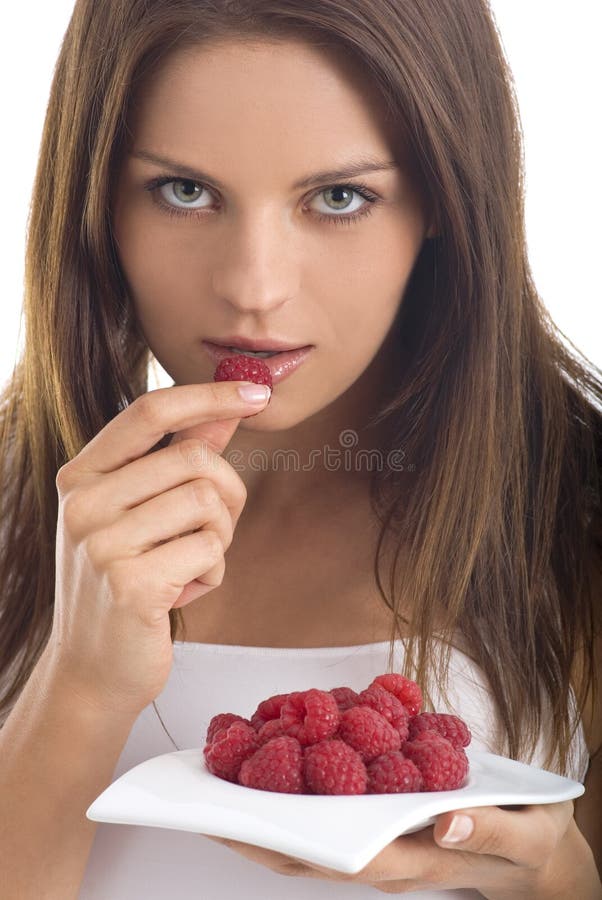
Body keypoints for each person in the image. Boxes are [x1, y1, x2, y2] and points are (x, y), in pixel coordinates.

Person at [0, 0, 600, 897]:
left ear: (444, 200)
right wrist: (80, 688)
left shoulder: (578, 513)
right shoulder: (14, 494)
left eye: (338, 197)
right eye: (185, 191)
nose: (254, 289)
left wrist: (546, 872)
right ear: (95, 198)